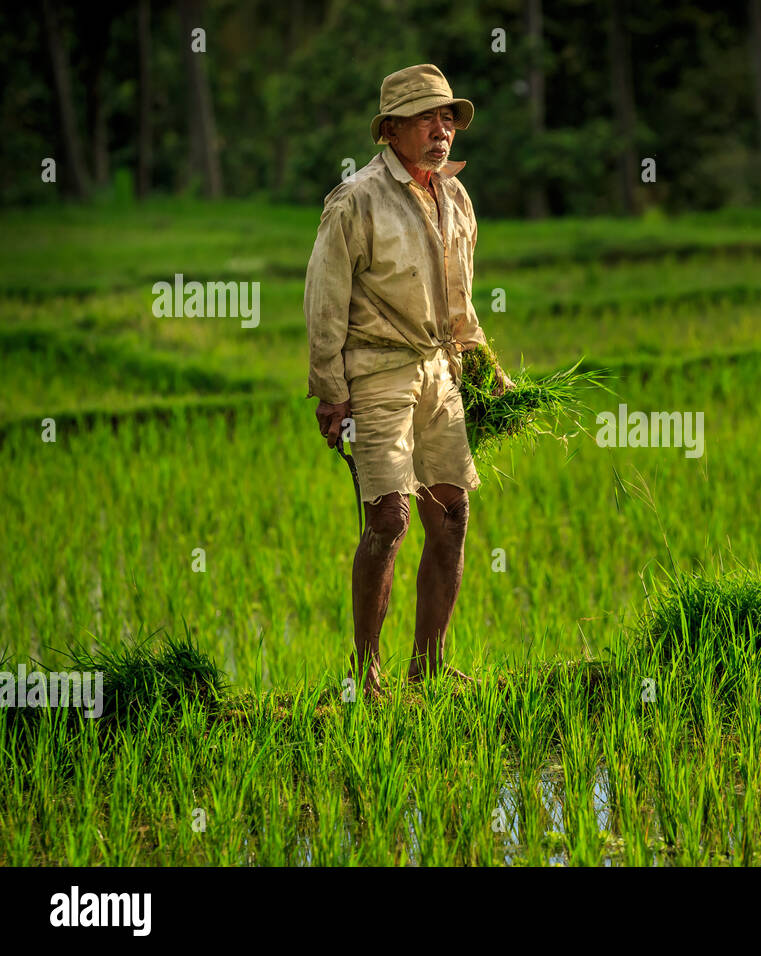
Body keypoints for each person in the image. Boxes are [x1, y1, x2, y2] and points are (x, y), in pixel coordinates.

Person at [304, 64, 512, 698]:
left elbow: (459, 304)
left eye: (447, 117)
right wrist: (331, 391)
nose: (441, 129)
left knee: (450, 515)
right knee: (389, 518)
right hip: (375, 372)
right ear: (390, 130)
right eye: (427, 118)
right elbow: (324, 301)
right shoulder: (357, 200)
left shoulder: (454, 197)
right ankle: (365, 674)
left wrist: (483, 365)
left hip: (439, 372)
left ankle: (428, 665)